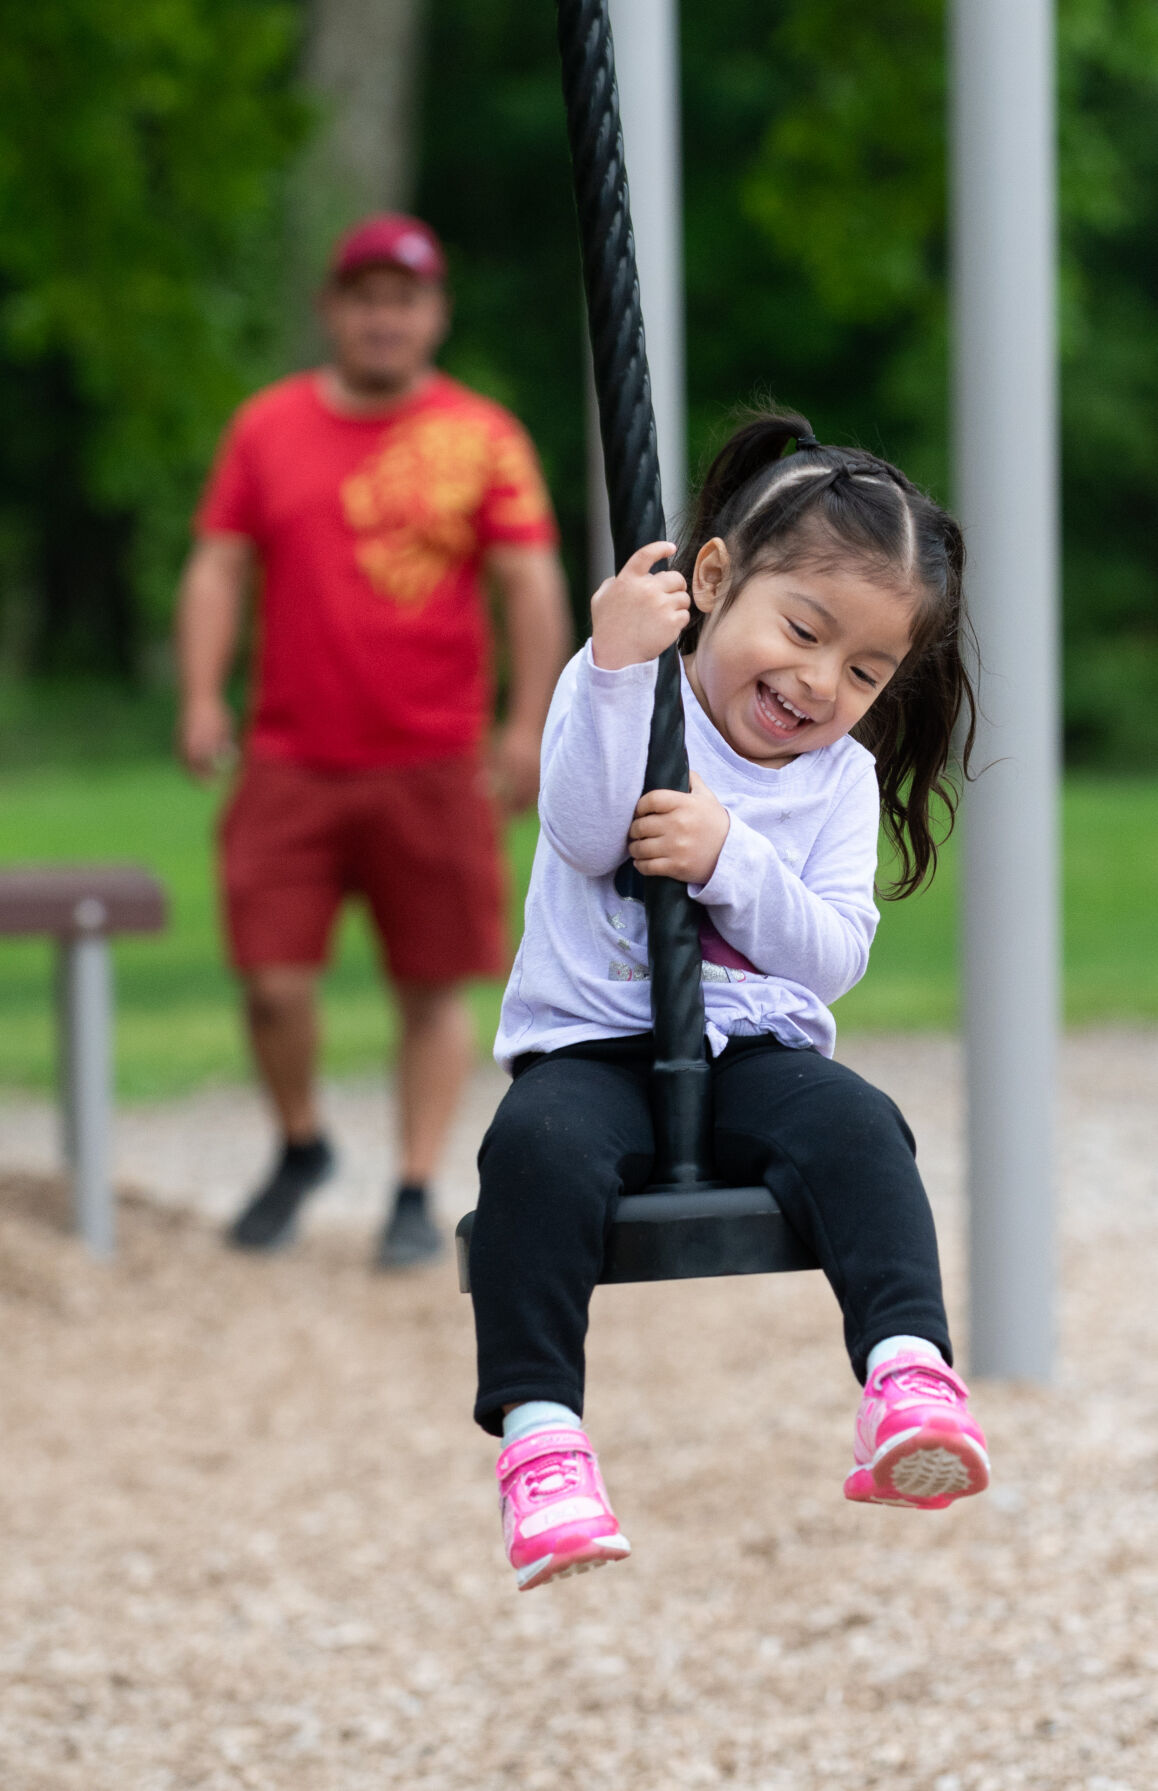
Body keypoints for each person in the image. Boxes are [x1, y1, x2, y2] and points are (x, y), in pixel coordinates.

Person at [467, 408, 991, 1591]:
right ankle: (543, 1442)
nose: (819, 683)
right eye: (802, 631)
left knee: (862, 1126)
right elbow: (589, 830)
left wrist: (733, 859)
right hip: (593, 1050)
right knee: (534, 1152)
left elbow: (831, 957)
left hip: (753, 1054)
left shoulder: (841, 781)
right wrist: (611, 667)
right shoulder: (624, 692)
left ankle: (907, 1375)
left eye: (865, 669)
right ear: (713, 580)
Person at [176, 213, 569, 1268]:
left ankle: (410, 1184)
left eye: (405, 299)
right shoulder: (267, 429)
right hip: (291, 754)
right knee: (271, 976)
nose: (384, 317)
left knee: (433, 983)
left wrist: (529, 724)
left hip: (435, 758)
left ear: (433, 314)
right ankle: (302, 1142)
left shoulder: (483, 437)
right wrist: (203, 693)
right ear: (333, 311)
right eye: (365, 297)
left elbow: (528, 581)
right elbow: (218, 563)